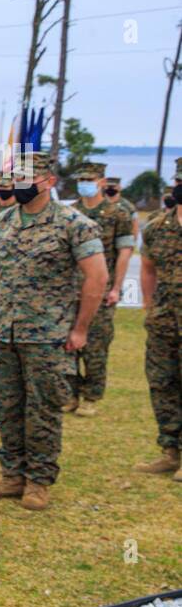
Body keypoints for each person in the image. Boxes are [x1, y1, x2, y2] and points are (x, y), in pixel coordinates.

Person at [0, 151, 107, 511]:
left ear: (49, 181)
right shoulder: (1, 222)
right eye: (16, 178)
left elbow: (97, 278)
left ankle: (38, 480)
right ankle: (12, 474)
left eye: (27, 178)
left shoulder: (74, 223)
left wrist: (80, 329)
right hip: (4, 333)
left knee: (43, 409)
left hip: (48, 336)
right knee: (6, 405)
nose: (19, 185)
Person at [68, 162, 135, 418]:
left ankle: (91, 396)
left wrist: (116, 287)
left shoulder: (118, 213)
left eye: (89, 179)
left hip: (101, 290)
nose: (84, 183)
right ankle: (70, 393)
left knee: (96, 345)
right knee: (66, 344)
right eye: (81, 179)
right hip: (70, 290)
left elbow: (124, 252)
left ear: (101, 182)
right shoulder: (70, 212)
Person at [137, 160, 182, 478]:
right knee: (162, 383)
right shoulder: (157, 227)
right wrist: (149, 305)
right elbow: (148, 268)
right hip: (164, 320)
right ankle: (170, 450)